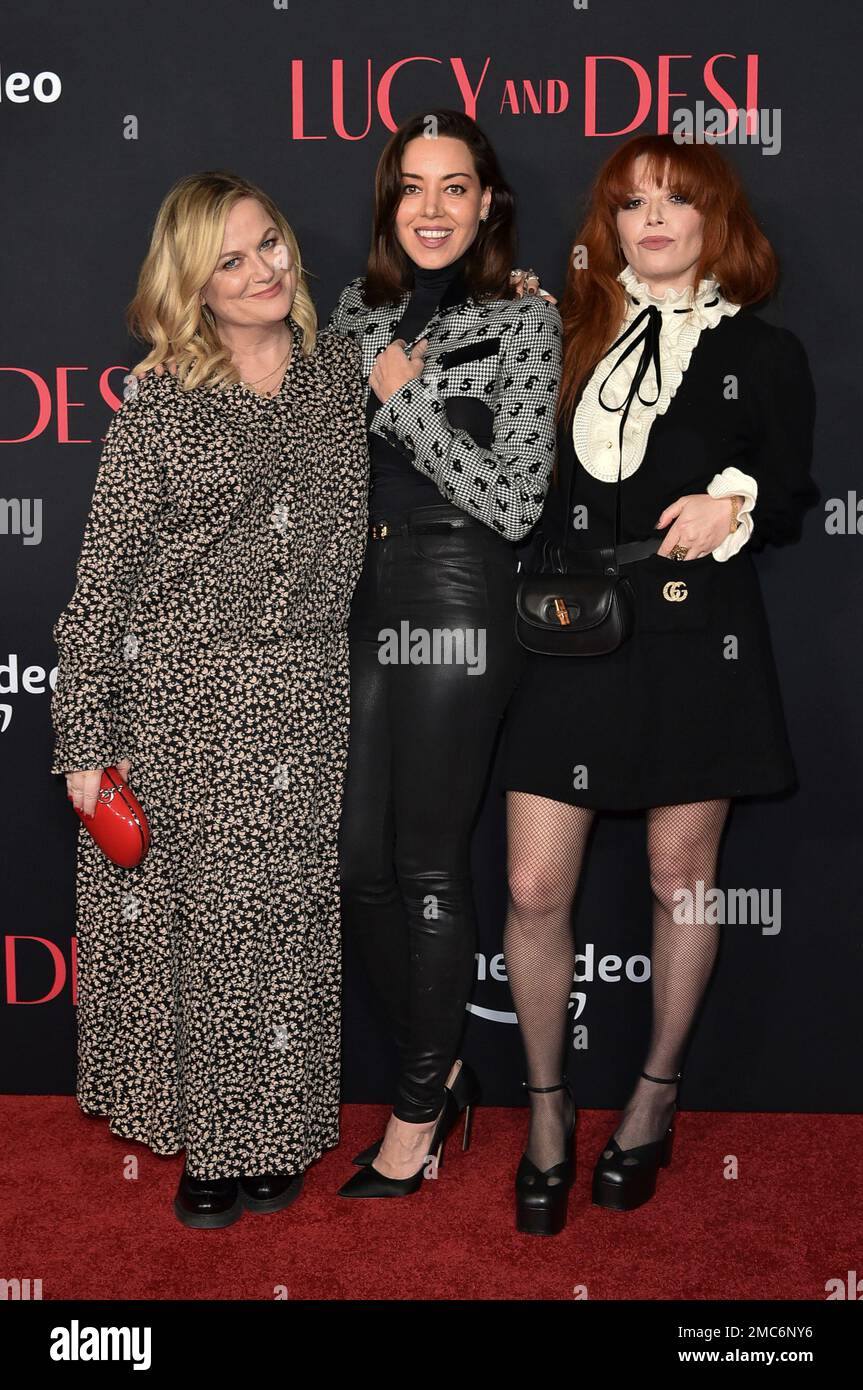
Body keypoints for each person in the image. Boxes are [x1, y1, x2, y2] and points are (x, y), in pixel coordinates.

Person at [499, 133, 817, 1235]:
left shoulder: (760, 352)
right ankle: (546, 1112)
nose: (651, 217)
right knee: (535, 887)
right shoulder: (565, 329)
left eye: (674, 199)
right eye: (630, 202)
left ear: (713, 219)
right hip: (568, 636)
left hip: (696, 642)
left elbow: (788, 492)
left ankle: (651, 1096)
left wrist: (733, 506)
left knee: (683, 878)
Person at [50, 171, 369, 1228]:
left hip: (308, 691)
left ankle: (274, 1130)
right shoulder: (160, 409)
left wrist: (520, 297)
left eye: (269, 243)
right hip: (185, 698)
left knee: (288, 924)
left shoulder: (339, 378)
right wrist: (84, 748)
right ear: (193, 283)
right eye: (230, 259)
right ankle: (215, 1147)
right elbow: (101, 590)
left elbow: (449, 307)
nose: (263, 269)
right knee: (210, 931)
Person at [331, 109, 562, 1197]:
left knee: (424, 857)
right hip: (353, 593)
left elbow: (513, 502)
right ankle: (447, 1070)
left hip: (461, 589)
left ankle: (416, 1112)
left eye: (453, 187)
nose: (430, 208)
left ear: (486, 204)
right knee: (356, 863)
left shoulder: (522, 324)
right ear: (389, 203)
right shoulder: (350, 311)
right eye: (410, 187)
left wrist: (404, 399)